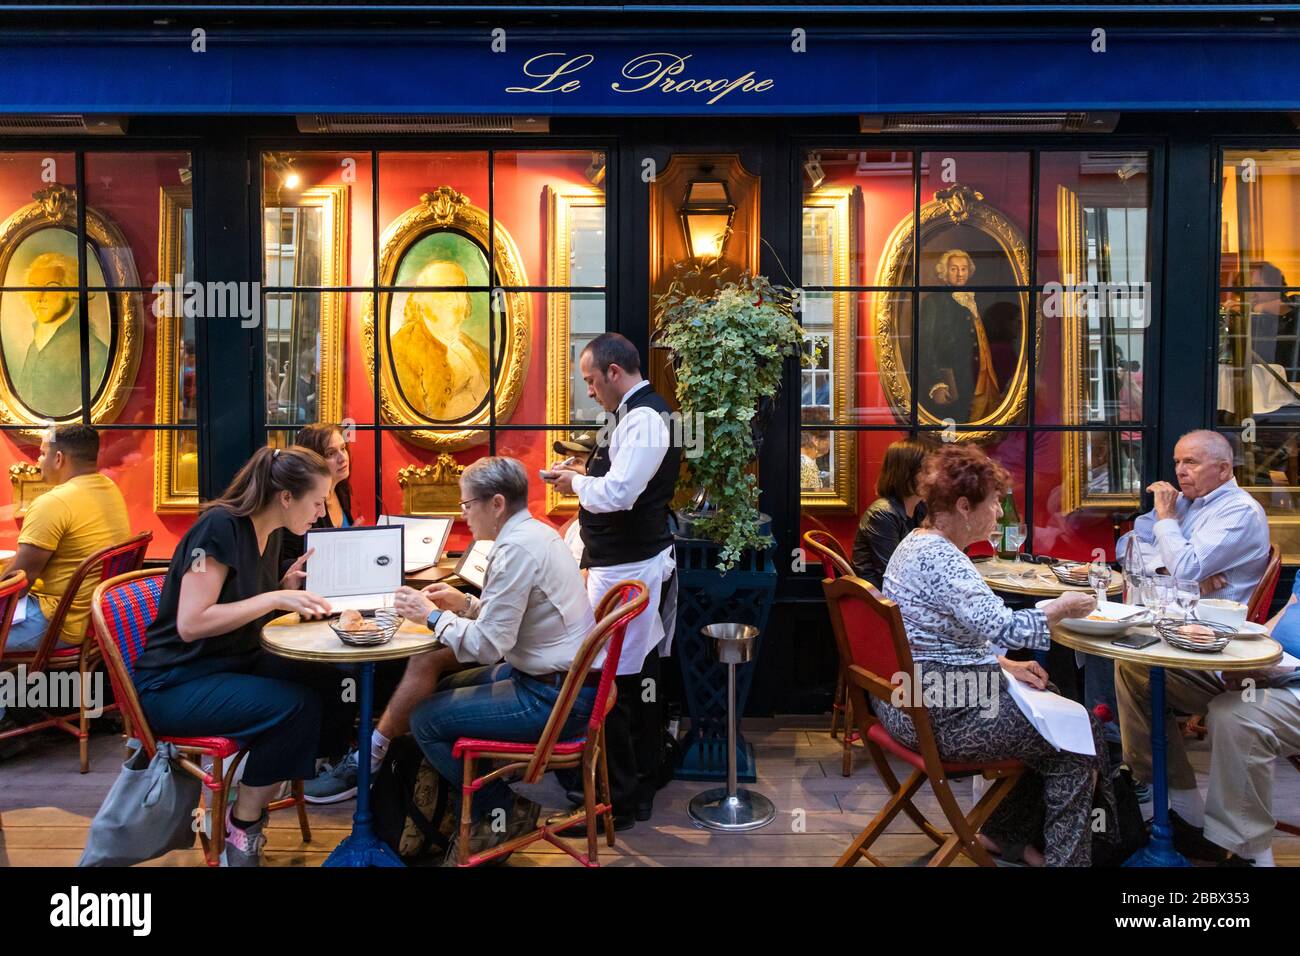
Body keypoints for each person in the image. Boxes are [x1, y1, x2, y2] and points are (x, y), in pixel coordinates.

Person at [879, 444, 1114, 866]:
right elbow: (1004, 628)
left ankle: (1003, 834)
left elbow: (937, 637)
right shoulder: (944, 560)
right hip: (937, 713)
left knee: (1054, 700)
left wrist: (1002, 665)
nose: (999, 515)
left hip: (907, 700)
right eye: (995, 504)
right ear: (965, 506)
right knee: (1079, 736)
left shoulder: (915, 544)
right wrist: (1060, 606)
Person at [130, 447, 351, 867]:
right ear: (286, 496)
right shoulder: (218, 528)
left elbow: (240, 599)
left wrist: (283, 583)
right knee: (297, 707)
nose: (322, 513)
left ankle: (285, 770)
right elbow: (191, 623)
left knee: (323, 679)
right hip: (174, 683)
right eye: (318, 500)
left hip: (225, 664)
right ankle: (242, 825)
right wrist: (273, 595)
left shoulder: (267, 533)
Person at [391, 457, 596, 863]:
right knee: (445, 687)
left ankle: (498, 804)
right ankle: (473, 799)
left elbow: (487, 646)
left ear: (496, 504)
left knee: (423, 719)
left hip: (554, 698)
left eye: (467, 504)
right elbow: (512, 617)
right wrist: (465, 603)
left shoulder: (516, 550)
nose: (463, 513)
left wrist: (430, 616)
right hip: (564, 680)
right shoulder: (536, 533)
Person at [550, 332, 681, 830]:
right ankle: (633, 783)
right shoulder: (634, 415)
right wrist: (586, 468)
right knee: (629, 678)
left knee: (616, 684)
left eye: (590, 380)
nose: (589, 391)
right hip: (624, 565)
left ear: (613, 372)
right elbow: (623, 478)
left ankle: (622, 800)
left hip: (630, 570)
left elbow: (622, 494)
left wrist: (575, 483)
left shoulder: (645, 417)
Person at [1114, 576, 1300, 866]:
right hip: (1274, 674)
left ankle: (1252, 858)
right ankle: (1190, 817)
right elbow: (1292, 606)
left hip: (1292, 687)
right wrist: (1258, 658)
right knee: (1138, 669)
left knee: (1236, 715)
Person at [0, 424, 130, 732]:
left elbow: (19, 582)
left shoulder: (52, 503)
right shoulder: (109, 490)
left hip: (61, 622)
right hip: (98, 619)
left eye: (42, 454)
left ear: (59, 458)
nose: (38, 462)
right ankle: (18, 709)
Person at [8, 253, 108, 419]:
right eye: (33, 288)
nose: (39, 298)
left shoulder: (91, 351)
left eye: (52, 287)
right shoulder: (36, 344)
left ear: (72, 291)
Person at [391, 260, 490, 420]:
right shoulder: (402, 348)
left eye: (460, 291)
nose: (454, 299)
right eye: (443, 291)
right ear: (420, 299)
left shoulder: (473, 347)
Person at [918, 250, 1001, 423]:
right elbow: (924, 345)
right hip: (950, 380)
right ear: (944, 272)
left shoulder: (972, 300)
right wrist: (937, 383)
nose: (959, 274)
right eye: (954, 269)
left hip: (973, 377)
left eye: (963, 269)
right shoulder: (933, 302)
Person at [278, 423, 354, 577]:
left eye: (343, 448)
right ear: (312, 460)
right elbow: (283, 564)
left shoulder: (341, 489)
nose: (342, 458)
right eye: (331, 453)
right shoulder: (301, 502)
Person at [852, 437, 929, 587]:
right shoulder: (883, 514)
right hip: (880, 602)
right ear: (905, 474)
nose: (933, 478)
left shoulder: (920, 508)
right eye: (926, 471)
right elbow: (892, 574)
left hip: (905, 592)